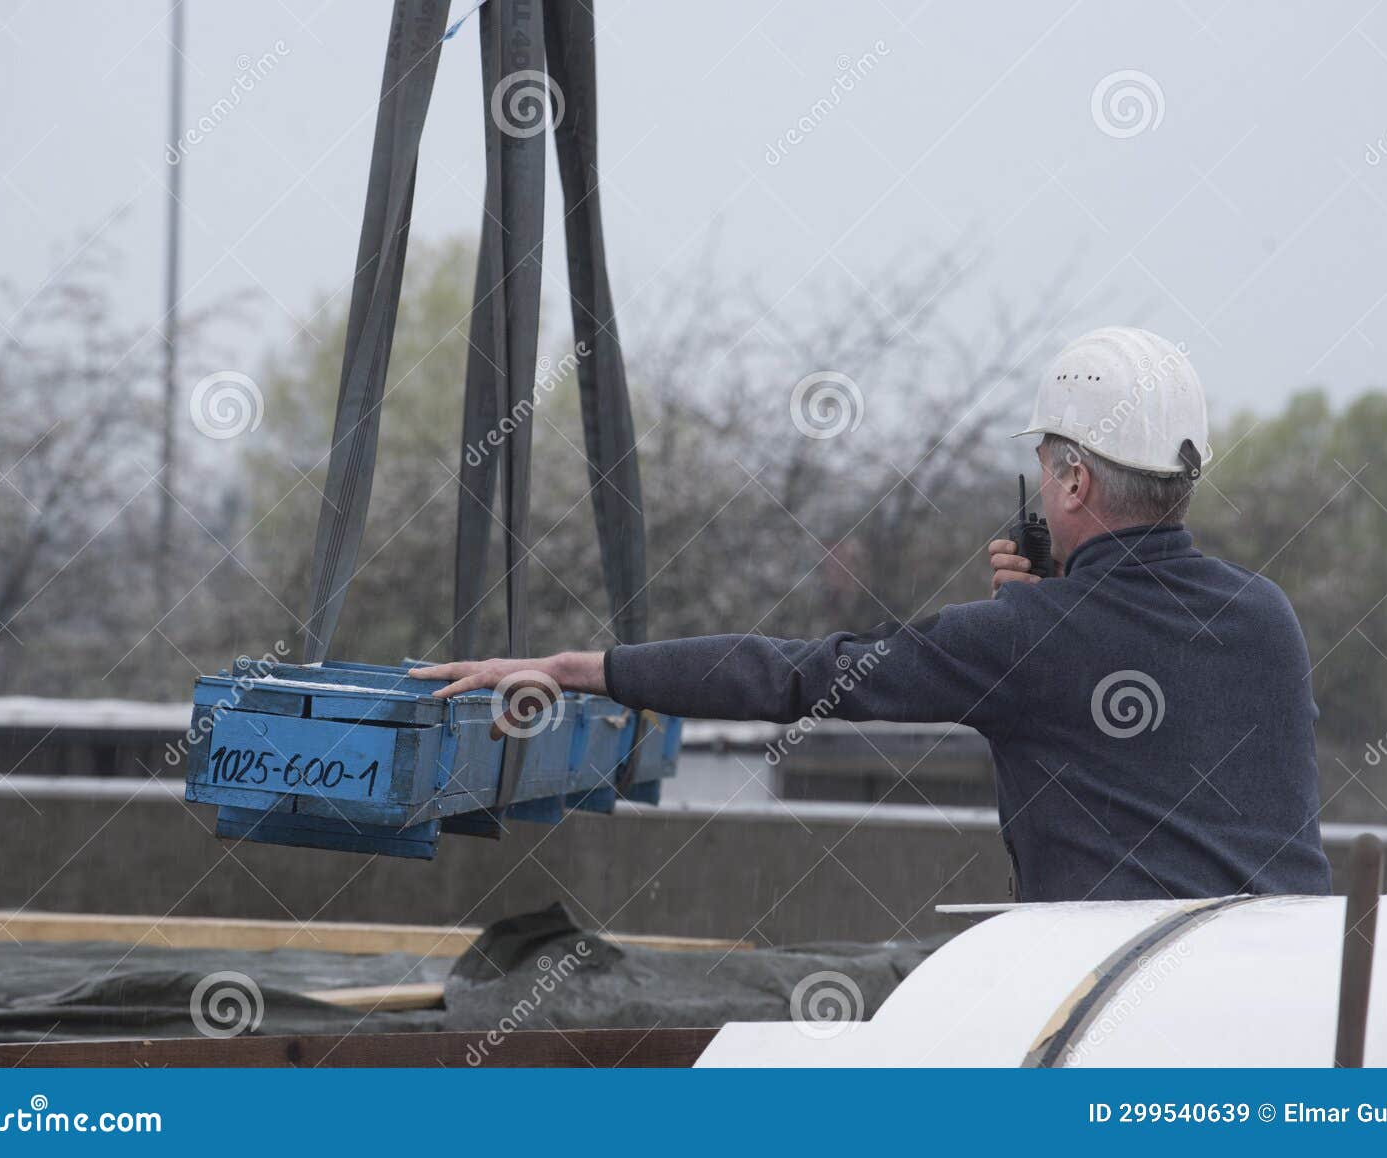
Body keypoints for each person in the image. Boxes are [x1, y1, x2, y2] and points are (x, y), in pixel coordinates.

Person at [416, 327, 1332, 902]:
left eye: (1051, 467)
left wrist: (583, 668)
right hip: (1288, 995)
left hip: (1113, 1007)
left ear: (1075, 480)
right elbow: (1144, 704)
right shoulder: (1267, 617)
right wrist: (1050, 612)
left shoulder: (1023, 639)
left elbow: (793, 675)